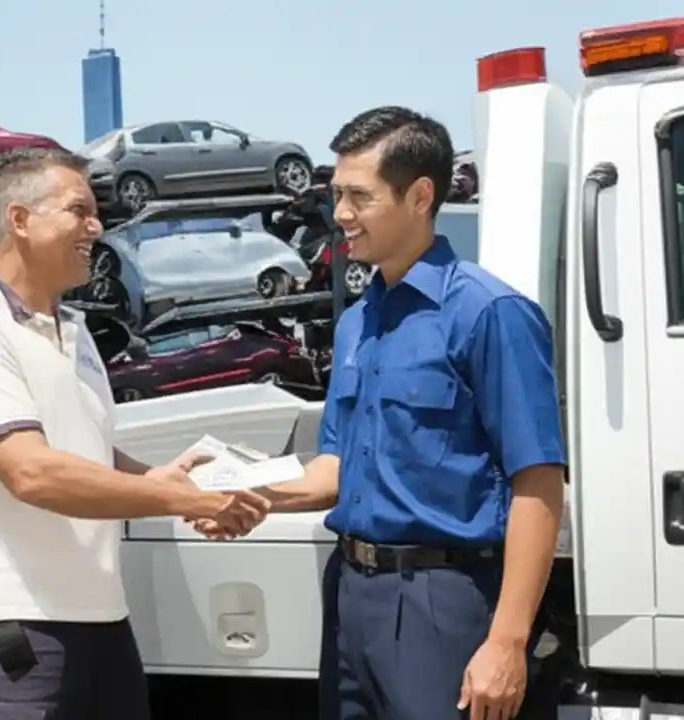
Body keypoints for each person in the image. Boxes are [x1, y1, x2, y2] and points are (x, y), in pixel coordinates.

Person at [195, 106, 566, 719]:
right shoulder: (356, 323)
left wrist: (506, 641)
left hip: (443, 605)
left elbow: (538, 482)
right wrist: (238, 494)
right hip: (351, 599)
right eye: (337, 194)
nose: (340, 214)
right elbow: (335, 468)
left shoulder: (488, 313)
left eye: (359, 197)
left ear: (420, 196)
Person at [0, 146, 272, 720]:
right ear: (19, 220)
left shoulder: (74, 331)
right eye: (78, 210)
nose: (96, 226)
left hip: (101, 619)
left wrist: (160, 479)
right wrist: (175, 496)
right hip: (16, 627)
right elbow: (30, 471)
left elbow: (81, 447)